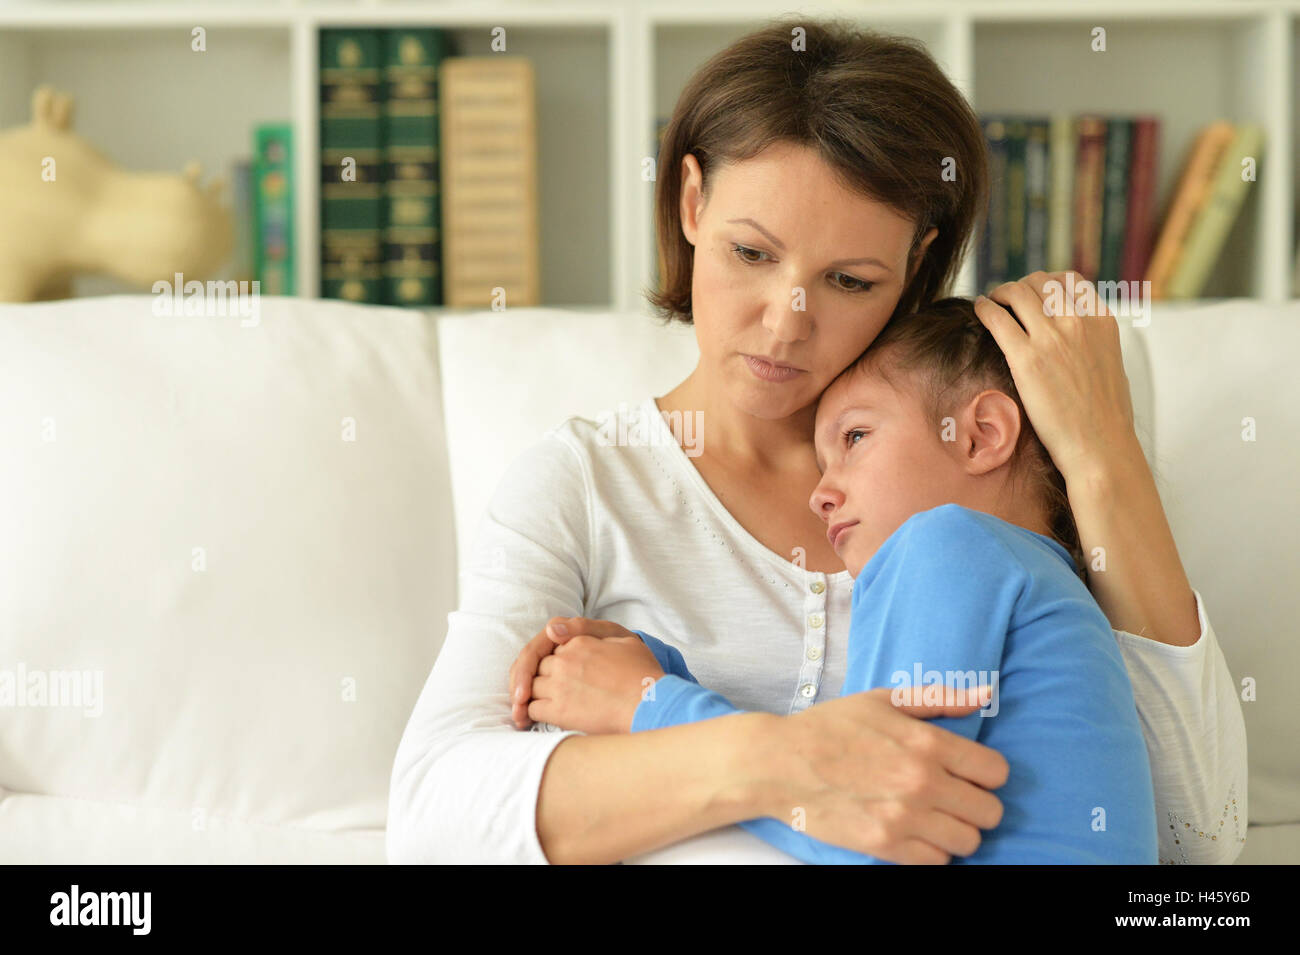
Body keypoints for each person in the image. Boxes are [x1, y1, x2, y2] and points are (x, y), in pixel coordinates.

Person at [386, 19, 1246, 865]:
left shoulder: (991, 484)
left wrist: (1103, 452)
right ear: (692, 204)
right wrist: (775, 760)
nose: (785, 324)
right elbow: (432, 814)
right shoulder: (586, 485)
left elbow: (1201, 838)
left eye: (848, 280)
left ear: (917, 262)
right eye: (751, 252)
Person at [616, 296, 1159, 863]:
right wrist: (665, 670)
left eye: (855, 437)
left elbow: (862, 830)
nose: (819, 495)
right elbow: (846, 787)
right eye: (823, 464)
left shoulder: (951, 542)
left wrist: (647, 702)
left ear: (980, 435)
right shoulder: (1052, 591)